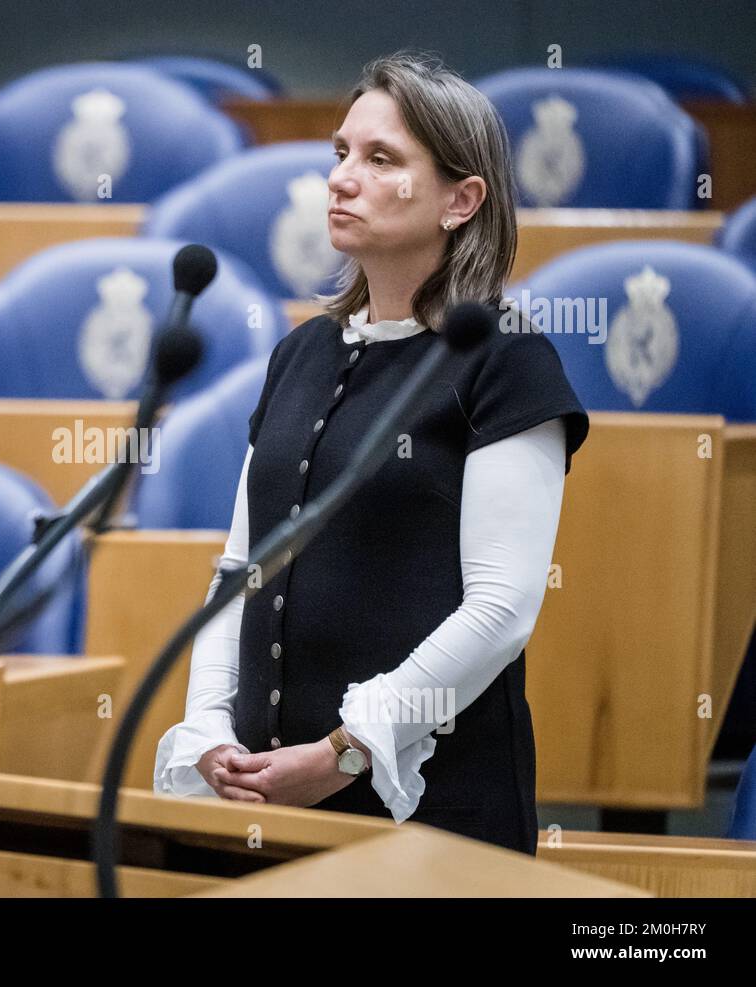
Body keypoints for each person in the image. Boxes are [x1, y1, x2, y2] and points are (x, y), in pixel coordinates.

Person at [154, 50, 590, 855]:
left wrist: (345, 751)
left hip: (430, 814)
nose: (340, 177)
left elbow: (500, 610)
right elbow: (239, 569)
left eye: (380, 158)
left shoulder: (505, 361)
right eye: (341, 153)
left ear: (461, 200)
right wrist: (210, 728)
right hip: (269, 802)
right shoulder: (300, 354)